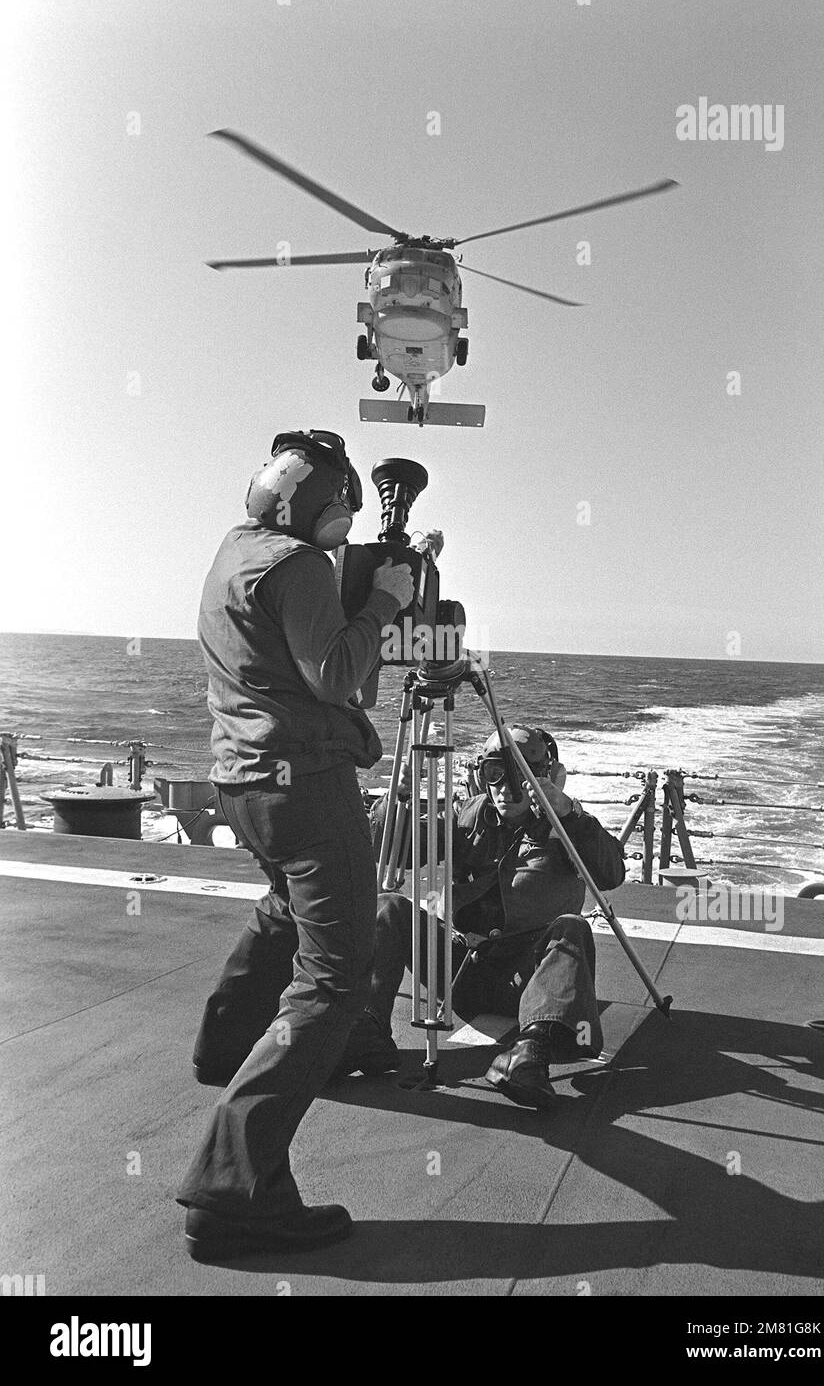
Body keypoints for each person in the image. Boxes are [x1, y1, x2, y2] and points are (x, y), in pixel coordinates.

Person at [176, 429, 415, 1262]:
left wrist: (363, 581)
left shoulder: (235, 550)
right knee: (335, 979)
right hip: (306, 788)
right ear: (317, 508)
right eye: (343, 506)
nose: (347, 519)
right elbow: (334, 674)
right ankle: (232, 1188)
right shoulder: (303, 567)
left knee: (285, 908)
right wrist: (384, 600)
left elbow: (285, 648)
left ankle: (222, 1049)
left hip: (242, 783)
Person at [339, 725, 626, 1108]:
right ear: (481, 775)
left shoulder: (567, 826)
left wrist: (570, 815)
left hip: (528, 981)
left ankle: (529, 1054)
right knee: (389, 907)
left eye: (522, 774)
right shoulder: (467, 819)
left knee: (572, 929)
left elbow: (612, 874)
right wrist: (400, 797)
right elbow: (391, 847)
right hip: (460, 970)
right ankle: (368, 1031)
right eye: (496, 772)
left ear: (546, 776)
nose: (507, 787)